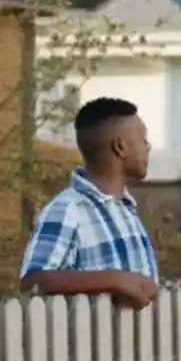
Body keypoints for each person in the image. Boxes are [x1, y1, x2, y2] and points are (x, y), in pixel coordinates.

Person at [19, 97, 160, 309]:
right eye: (143, 140)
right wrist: (113, 280)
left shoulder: (124, 207)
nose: (148, 147)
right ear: (120, 146)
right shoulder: (68, 209)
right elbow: (33, 282)